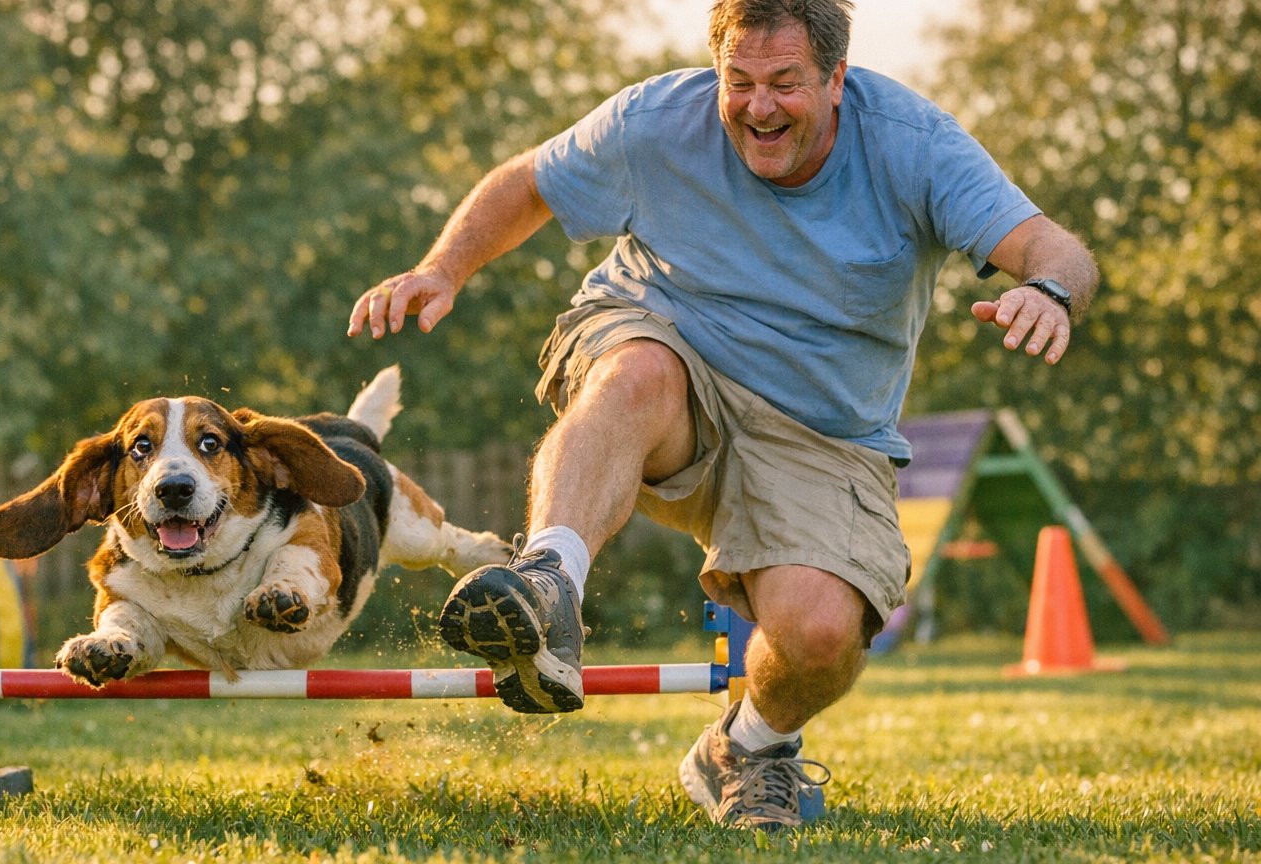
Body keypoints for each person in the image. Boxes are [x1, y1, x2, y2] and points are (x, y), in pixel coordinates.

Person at [346, 0, 1097, 832]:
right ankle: (549, 586)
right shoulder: (657, 120)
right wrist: (443, 268)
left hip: (822, 429)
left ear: (837, 79)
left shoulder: (915, 146)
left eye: (785, 83)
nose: (758, 107)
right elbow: (529, 182)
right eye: (737, 82)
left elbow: (1052, 248)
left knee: (818, 631)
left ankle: (752, 747)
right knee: (637, 369)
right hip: (669, 359)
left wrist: (1048, 290)